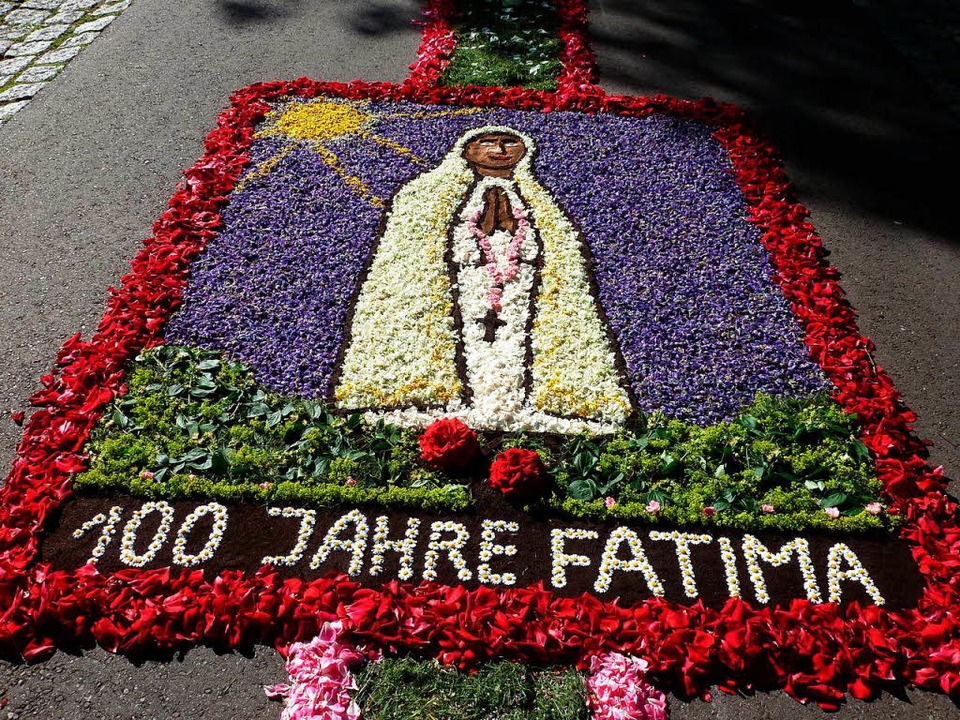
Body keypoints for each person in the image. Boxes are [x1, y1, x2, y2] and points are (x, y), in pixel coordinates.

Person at [333, 125, 632, 433]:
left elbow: (563, 250)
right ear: (466, 150)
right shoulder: (424, 193)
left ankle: (527, 406)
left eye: (509, 143)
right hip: (458, 281)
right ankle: (443, 401)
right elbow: (408, 246)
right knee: (461, 338)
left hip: (522, 279)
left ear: (524, 151)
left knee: (520, 339)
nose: (500, 149)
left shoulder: (538, 198)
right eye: (488, 142)